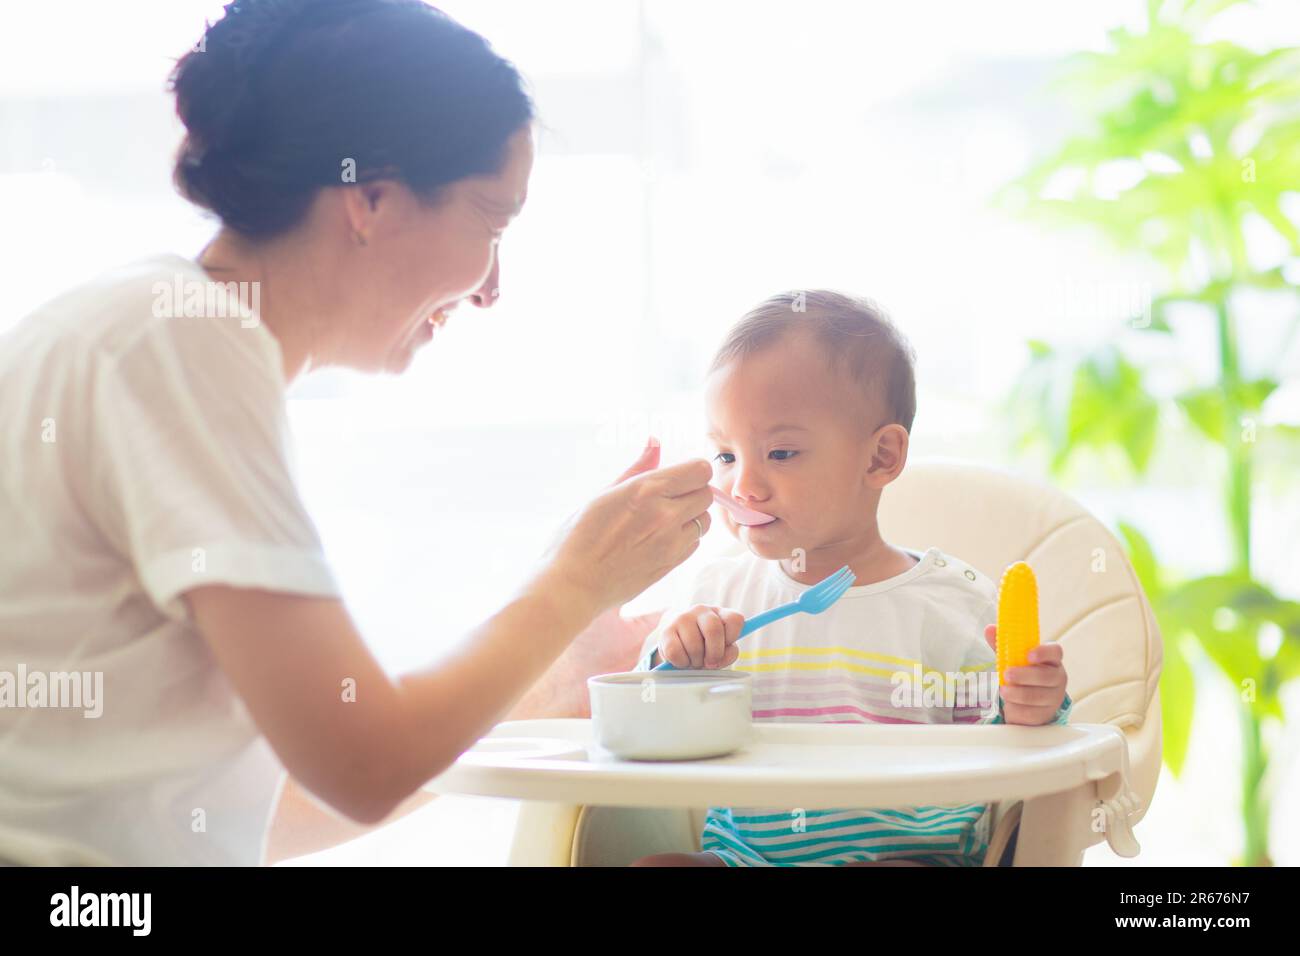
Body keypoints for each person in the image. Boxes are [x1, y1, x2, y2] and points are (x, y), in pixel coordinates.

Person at [0, 0, 712, 866]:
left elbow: (280, 812)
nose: (492, 289)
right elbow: (361, 760)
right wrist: (575, 584)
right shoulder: (175, 346)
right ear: (370, 198)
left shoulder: (168, 338)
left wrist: (551, 682)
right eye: (491, 223)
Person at [627, 290, 1071, 866]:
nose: (743, 488)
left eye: (781, 453)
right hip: (746, 858)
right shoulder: (714, 596)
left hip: (909, 858)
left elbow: (1012, 746)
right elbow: (643, 727)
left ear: (880, 457)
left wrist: (1033, 706)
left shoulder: (954, 604)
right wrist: (674, 664)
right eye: (727, 456)